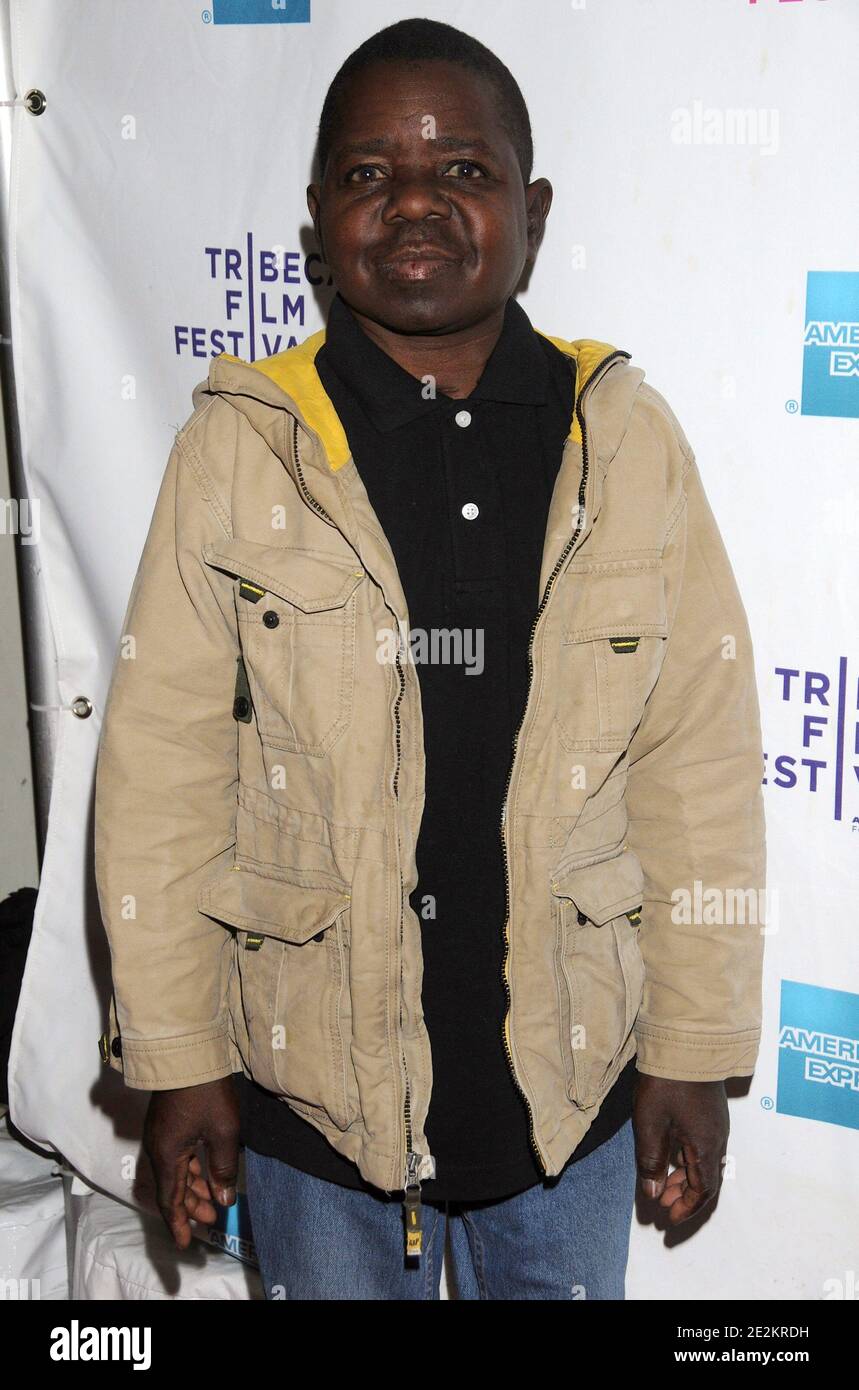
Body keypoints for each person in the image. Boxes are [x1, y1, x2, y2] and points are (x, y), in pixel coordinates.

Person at [94, 18, 767, 1301]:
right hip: (314, 1114)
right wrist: (181, 1061)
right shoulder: (243, 448)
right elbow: (162, 774)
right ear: (313, 221)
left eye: (462, 170)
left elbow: (696, 762)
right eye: (368, 174)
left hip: (563, 1110)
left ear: (534, 208)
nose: (414, 202)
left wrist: (687, 1047)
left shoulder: (622, 440)